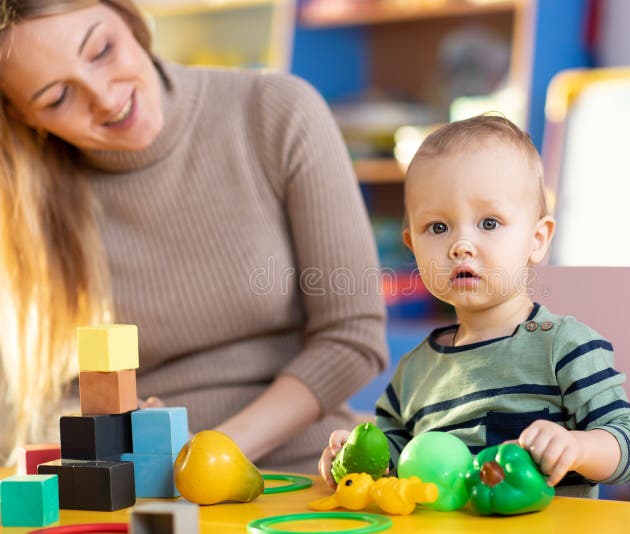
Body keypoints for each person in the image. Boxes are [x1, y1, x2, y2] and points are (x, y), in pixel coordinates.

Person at [0, 0, 388, 473]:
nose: (103, 97)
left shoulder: (277, 112)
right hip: (127, 487)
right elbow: (32, 401)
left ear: (128, 16)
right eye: (58, 97)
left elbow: (352, 338)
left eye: (102, 49)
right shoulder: (22, 207)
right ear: (24, 116)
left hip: (296, 471)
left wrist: (204, 457)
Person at [319, 115, 630, 497]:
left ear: (536, 239)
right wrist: (358, 460)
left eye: (489, 223)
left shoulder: (565, 347)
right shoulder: (413, 372)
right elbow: (394, 462)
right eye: (438, 228)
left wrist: (578, 447)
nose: (461, 245)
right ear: (412, 246)